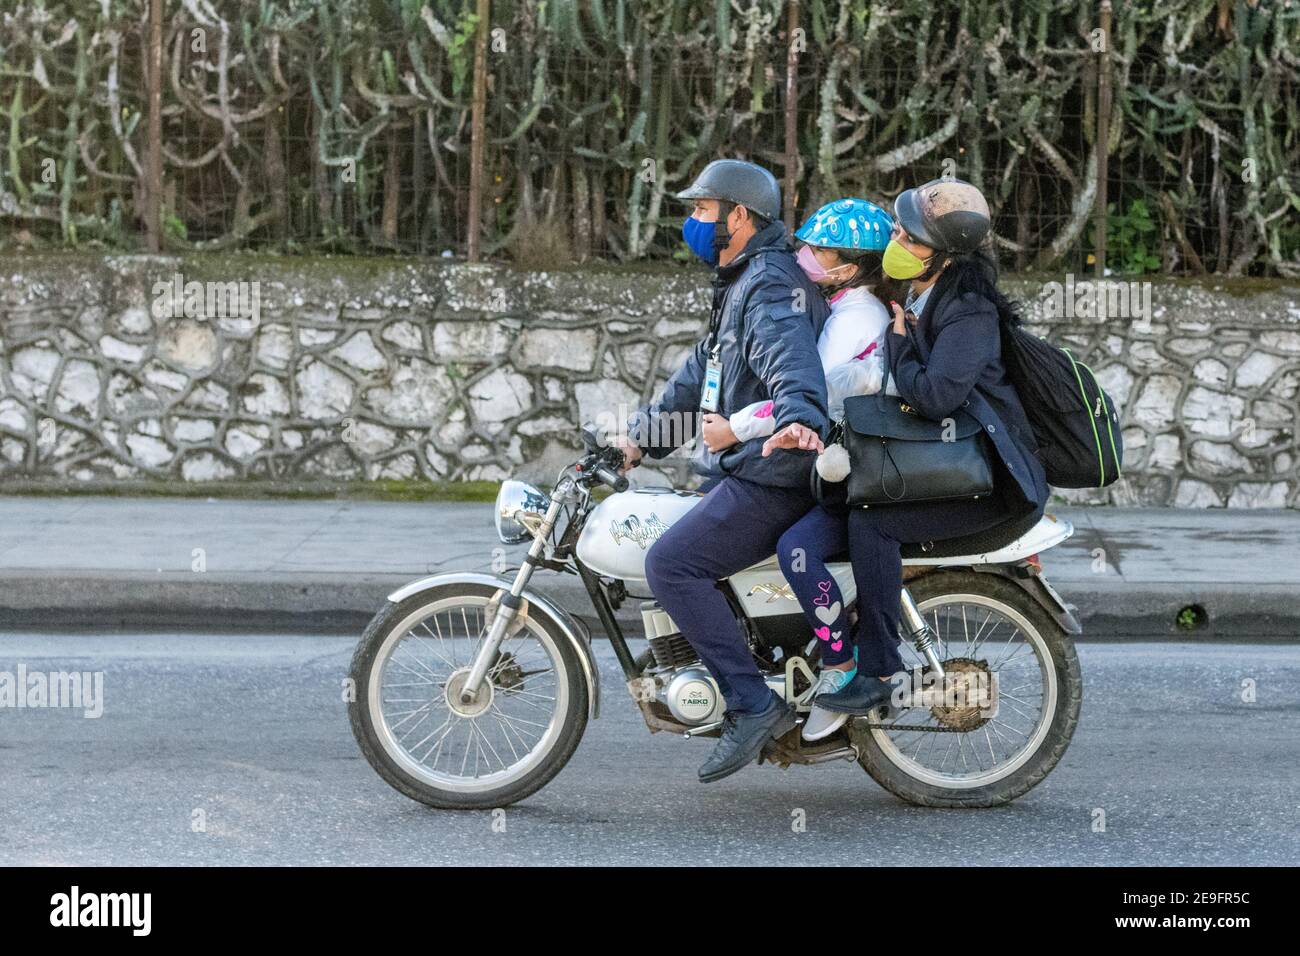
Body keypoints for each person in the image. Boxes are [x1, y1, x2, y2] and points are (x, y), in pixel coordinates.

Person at [763, 177, 1050, 731]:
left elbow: (937, 395)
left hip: (990, 483)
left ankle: (879, 673)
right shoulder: (921, 293)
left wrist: (897, 345)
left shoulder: (969, 311)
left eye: (908, 235)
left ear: (940, 252)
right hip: (929, 469)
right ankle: (826, 660)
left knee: (875, 528)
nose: (896, 239)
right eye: (897, 229)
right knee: (798, 544)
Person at [613, 159, 830, 784]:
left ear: (739, 215)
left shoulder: (765, 284)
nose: (692, 221)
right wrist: (635, 443)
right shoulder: (738, 281)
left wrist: (799, 414)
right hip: (753, 466)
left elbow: (791, 362)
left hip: (776, 471)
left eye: (703, 210)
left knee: (672, 564)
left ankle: (752, 703)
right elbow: (698, 384)